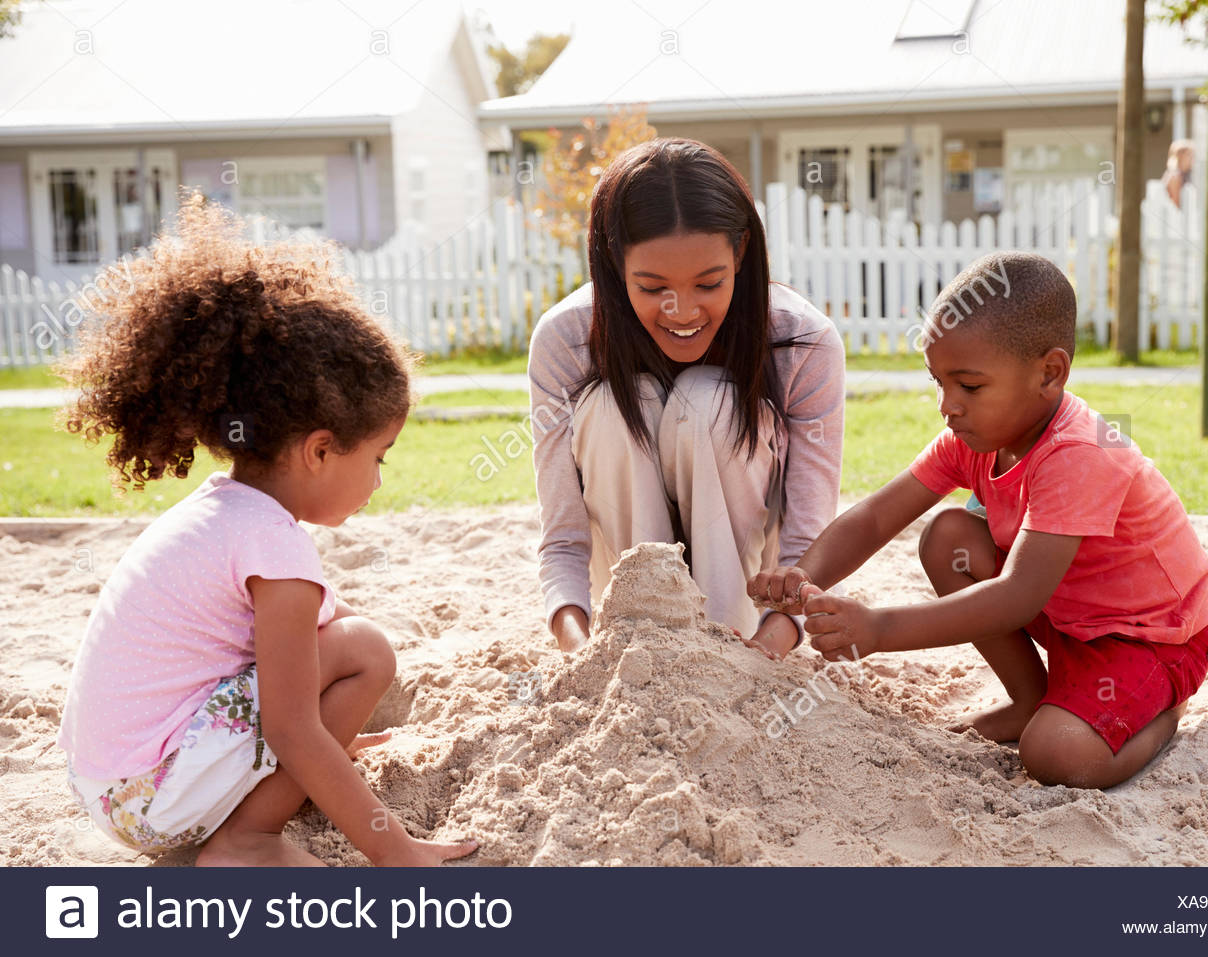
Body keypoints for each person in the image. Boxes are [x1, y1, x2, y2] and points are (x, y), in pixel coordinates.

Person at [55, 197, 478, 867]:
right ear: (318, 451)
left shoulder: (223, 510)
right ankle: (246, 837)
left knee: (331, 652)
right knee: (366, 649)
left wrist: (324, 741)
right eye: (379, 455)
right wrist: (396, 850)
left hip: (104, 783)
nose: (378, 481)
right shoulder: (276, 548)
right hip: (153, 796)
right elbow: (291, 724)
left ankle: (253, 795)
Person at [749, 251, 1208, 790]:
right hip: (1071, 616)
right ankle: (1029, 697)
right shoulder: (976, 439)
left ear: (1049, 373)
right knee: (949, 535)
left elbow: (1019, 595)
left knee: (1054, 755)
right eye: (938, 383)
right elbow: (877, 517)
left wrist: (878, 629)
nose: (948, 406)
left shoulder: (1080, 452)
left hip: (1151, 638)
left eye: (969, 386)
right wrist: (802, 576)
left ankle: (1163, 716)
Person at [528, 138, 845, 660]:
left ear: (740, 252)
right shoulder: (567, 338)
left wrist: (761, 655)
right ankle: (645, 630)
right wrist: (583, 654)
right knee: (614, 405)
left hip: (747, 600)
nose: (682, 311)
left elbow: (807, 547)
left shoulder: (802, 341)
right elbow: (562, 538)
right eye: (652, 288)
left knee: (708, 400)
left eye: (709, 283)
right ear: (613, 260)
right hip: (623, 624)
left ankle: (721, 635)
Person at [1162, 139, 1195, 209]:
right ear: (1180, 156)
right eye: (1189, 155)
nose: (1193, 159)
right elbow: (1176, 205)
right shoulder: (1175, 177)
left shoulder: (1183, 175)